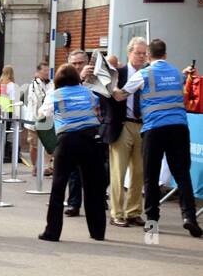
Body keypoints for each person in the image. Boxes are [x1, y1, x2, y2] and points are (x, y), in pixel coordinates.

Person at [116, 39, 202, 237]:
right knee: (182, 174)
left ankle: (152, 221)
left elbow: (121, 96)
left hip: (154, 129)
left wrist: (110, 87)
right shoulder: (177, 73)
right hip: (179, 128)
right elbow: (183, 80)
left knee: (151, 176)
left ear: (148, 55)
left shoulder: (143, 74)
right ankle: (189, 217)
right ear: (165, 55)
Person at [37, 64, 108, 241]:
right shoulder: (89, 93)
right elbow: (98, 116)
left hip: (67, 141)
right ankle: (97, 232)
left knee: (58, 187)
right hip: (91, 141)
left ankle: (52, 232)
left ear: (58, 80)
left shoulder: (55, 94)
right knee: (93, 188)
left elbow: (43, 115)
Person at [106, 38, 148, 227]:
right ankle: (117, 213)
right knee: (119, 171)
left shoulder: (150, 74)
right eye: (138, 53)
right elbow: (106, 96)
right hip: (123, 125)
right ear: (129, 53)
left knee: (139, 171)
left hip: (144, 125)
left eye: (144, 53)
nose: (141, 56)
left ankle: (133, 211)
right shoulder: (119, 74)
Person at [23, 62, 51, 171]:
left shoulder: (50, 84)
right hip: (35, 119)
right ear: (38, 72)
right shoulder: (34, 85)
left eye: (48, 70)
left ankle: (46, 166)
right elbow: (39, 100)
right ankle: (35, 167)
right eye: (44, 70)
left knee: (49, 145)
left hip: (48, 120)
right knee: (34, 144)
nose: (46, 73)